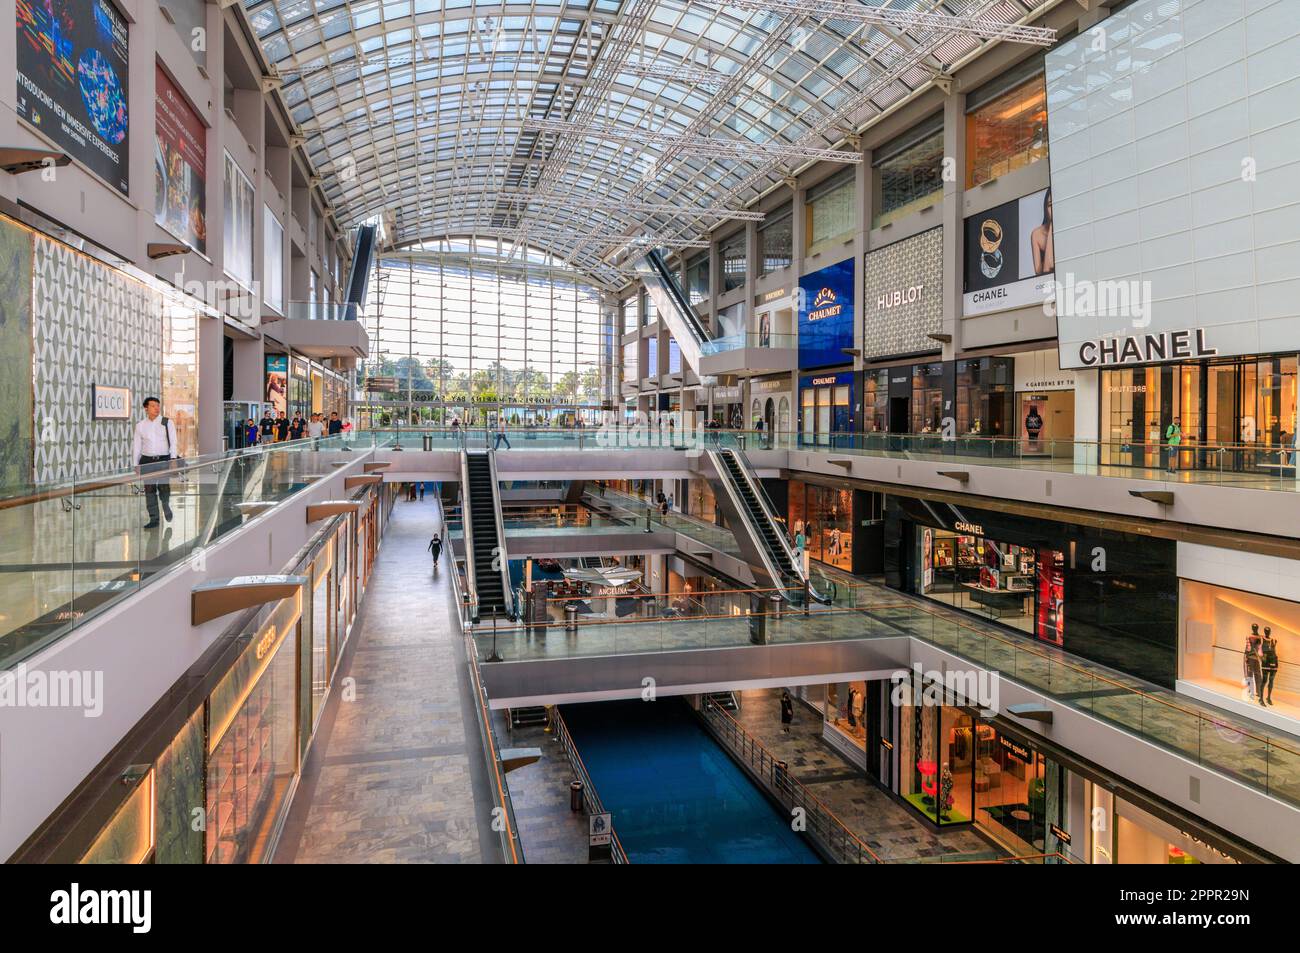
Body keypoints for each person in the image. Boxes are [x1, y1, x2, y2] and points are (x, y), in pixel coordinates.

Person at [133, 396, 178, 529]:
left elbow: (173, 442)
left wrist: (173, 459)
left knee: (164, 487)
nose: (156, 408)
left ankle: (165, 505)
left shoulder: (167, 422)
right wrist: (136, 464)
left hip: (164, 459)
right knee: (149, 490)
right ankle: (154, 519)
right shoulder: (140, 426)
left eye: (158, 405)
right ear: (146, 408)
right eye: (153, 406)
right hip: (146, 461)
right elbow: (137, 446)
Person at [1031, 188, 1054, 275]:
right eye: (1050, 204)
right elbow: (1045, 271)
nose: (1053, 209)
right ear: (1045, 207)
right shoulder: (1036, 234)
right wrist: (1051, 227)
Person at [1260, 626, 1279, 706]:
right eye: (1266, 631)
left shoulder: (1274, 640)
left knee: (1271, 680)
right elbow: (1260, 651)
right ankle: (1261, 698)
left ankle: (1268, 697)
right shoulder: (1261, 639)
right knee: (1264, 680)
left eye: (1268, 631)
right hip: (1265, 662)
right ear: (1264, 631)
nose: (1267, 632)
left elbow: (1274, 651)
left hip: (1273, 661)